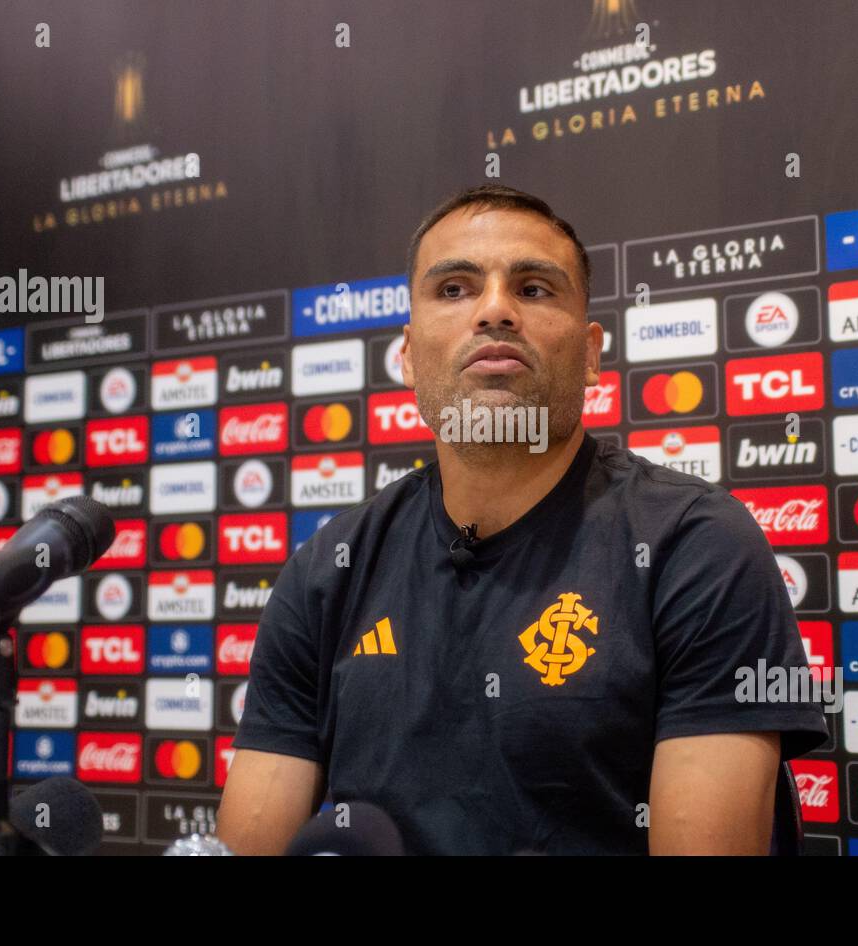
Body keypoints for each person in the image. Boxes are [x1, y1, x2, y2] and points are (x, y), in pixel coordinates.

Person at [217, 183, 827, 854]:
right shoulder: (326, 570)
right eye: (454, 289)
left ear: (592, 353)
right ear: (409, 354)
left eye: (535, 289)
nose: (495, 311)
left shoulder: (697, 545)